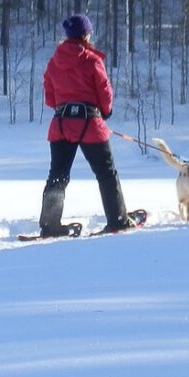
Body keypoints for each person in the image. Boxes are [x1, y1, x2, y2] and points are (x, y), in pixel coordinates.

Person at [40, 13, 134, 236]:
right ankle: (117, 219)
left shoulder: (54, 62)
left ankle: (50, 224)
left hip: (61, 124)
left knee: (58, 175)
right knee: (106, 172)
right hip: (90, 123)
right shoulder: (92, 60)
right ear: (86, 35)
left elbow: (50, 98)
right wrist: (106, 112)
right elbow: (104, 91)